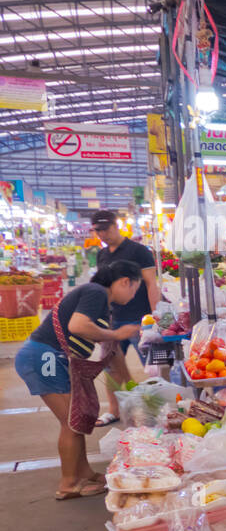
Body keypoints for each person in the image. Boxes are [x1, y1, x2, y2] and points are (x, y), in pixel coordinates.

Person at [14, 260, 143, 499]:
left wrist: (130, 383)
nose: (134, 295)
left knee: (77, 419)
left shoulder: (101, 303)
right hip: (45, 357)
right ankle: (69, 484)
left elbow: (110, 351)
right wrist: (116, 333)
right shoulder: (95, 293)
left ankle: (84, 472)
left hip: (47, 357)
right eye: (135, 288)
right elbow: (79, 326)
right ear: (125, 281)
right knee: (71, 424)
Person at [89, 209, 159, 426]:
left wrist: (155, 316)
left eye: (106, 229)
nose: (102, 234)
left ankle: (160, 409)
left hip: (140, 319)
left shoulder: (139, 251)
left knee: (152, 366)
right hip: (112, 320)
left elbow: (151, 284)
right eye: (98, 230)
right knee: (110, 366)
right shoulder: (102, 254)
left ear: (116, 225)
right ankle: (114, 410)